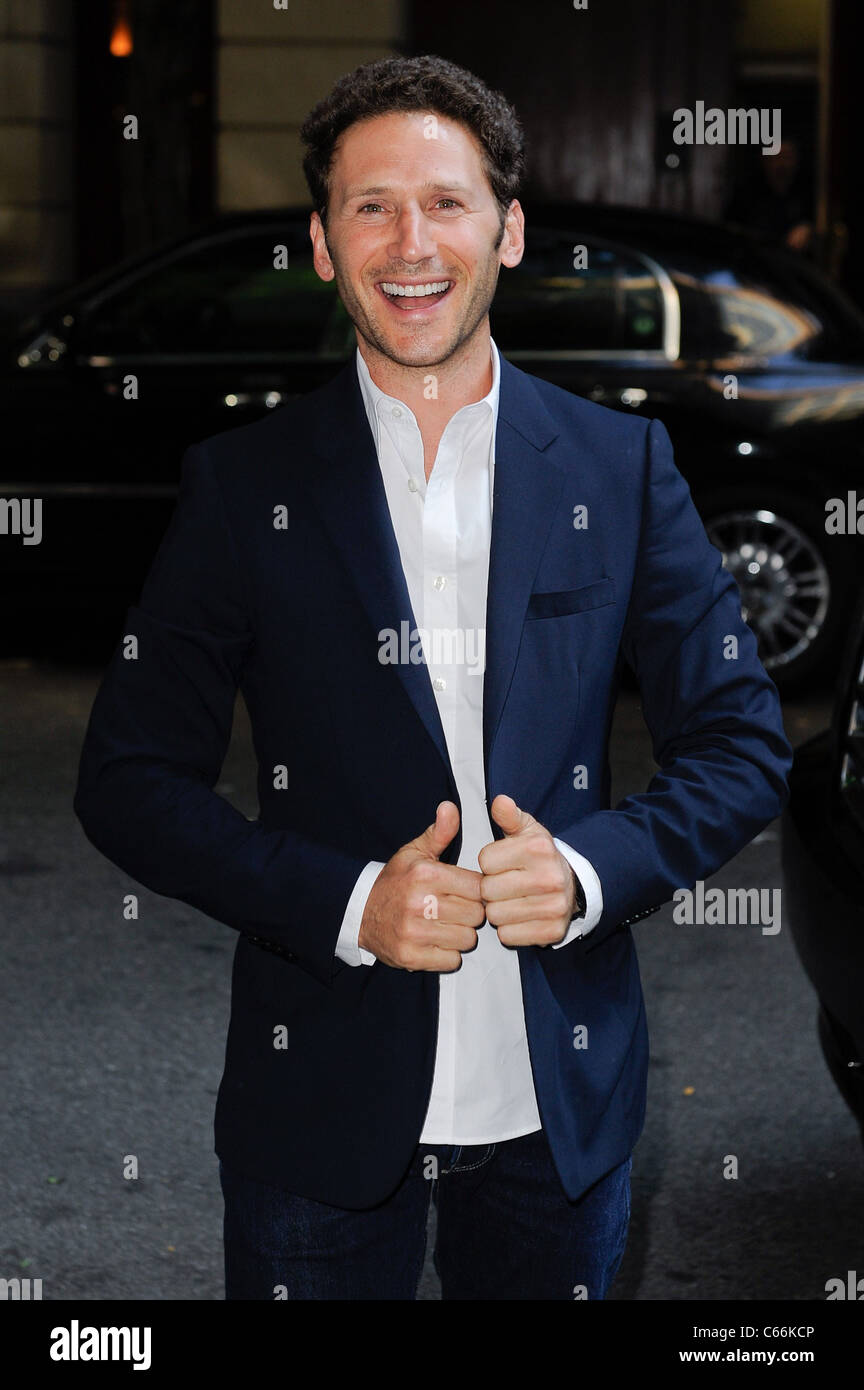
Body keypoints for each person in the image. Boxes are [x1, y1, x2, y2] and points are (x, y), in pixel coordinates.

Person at [74, 54, 793, 1301]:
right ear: (320, 242)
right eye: (372, 206)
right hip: (319, 1110)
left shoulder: (618, 468)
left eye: (448, 203)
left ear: (509, 231)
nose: (412, 243)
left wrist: (583, 871)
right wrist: (350, 902)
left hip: (555, 1112)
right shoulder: (246, 488)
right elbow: (127, 780)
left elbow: (742, 742)